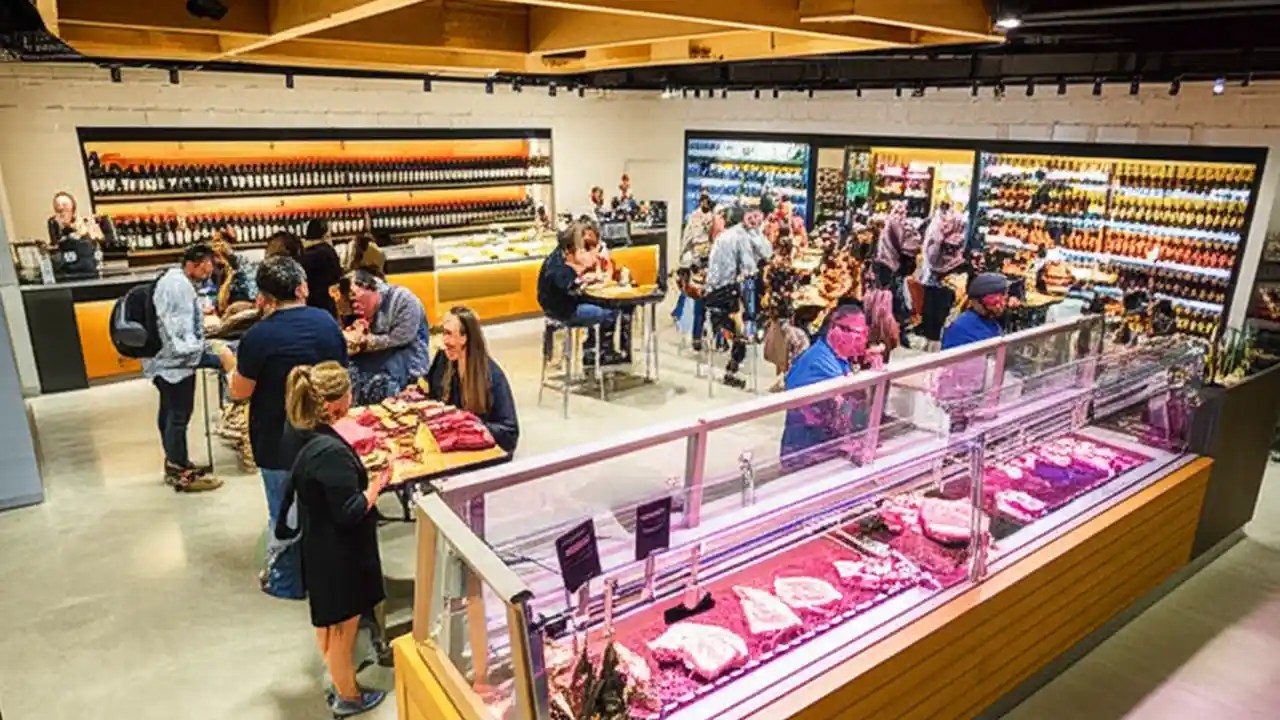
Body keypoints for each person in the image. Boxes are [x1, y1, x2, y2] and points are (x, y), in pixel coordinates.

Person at [229, 256, 348, 599]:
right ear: (301, 288)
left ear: (264, 297)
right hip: (324, 437)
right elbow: (340, 375)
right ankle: (322, 577)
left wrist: (228, 365)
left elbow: (240, 391)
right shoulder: (326, 322)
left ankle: (287, 583)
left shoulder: (258, 337)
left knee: (283, 514)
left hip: (275, 439)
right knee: (322, 513)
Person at [274, 362, 388, 716]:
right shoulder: (331, 452)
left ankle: (337, 682)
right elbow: (351, 510)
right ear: (342, 400)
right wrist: (376, 485)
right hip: (339, 554)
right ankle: (348, 696)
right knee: (343, 629)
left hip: (318, 544)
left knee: (326, 623)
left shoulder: (303, 434)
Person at [143, 243, 235, 492]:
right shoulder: (179, 286)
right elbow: (178, 333)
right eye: (208, 266)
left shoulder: (174, 279)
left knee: (169, 412)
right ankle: (180, 469)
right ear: (197, 263)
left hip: (167, 361)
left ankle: (175, 461)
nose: (211, 271)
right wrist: (206, 354)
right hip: (176, 363)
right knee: (178, 415)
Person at [781, 304, 874, 463]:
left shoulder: (836, 357)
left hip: (823, 449)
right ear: (834, 329)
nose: (863, 340)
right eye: (857, 334)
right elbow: (850, 413)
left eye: (865, 334)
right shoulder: (820, 363)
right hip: (806, 455)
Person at [426, 306, 519, 454]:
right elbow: (430, 393)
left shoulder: (492, 376)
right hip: (449, 445)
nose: (444, 341)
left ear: (465, 337)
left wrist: (468, 426)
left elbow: (510, 433)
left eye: (449, 334)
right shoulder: (443, 359)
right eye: (444, 332)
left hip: (478, 453)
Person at [702, 199, 773, 388]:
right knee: (750, 294)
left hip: (712, 295)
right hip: (727, 296)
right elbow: (758, 262)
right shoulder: (741, 237)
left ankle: (735, 359)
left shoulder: (724, 236)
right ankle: (742, 349)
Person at [537, 226, 625, 365]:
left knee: (600, 307)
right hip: (565, 312)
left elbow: (570, 284)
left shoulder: (555, 258)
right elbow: (570, 289)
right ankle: (599, 353)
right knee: (611, 312)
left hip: (553, 310)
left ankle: (593, 350)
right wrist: (583, 282)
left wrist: (582, 279)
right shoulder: (562, 264)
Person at [345, 269, 431, 404]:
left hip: (405, 368)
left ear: (368, 287)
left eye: (354, 297)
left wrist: (366, 342)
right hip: (372, 367)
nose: (354, 305)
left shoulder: (403, 299)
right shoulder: (359, 312)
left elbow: (402, 337)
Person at [920, 203, 968, 349]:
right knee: (941, 310)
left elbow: (932, 253)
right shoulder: (959, 236)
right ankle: (935, 341)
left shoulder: (938, 233)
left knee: (930, 308)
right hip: (949, 279)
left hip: (934, 277)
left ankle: (929, 340)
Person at [875, 201, 922, 349]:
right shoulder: (898, 226)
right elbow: (907, 247)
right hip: (893, 268)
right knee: (896, 301)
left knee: (890, 300)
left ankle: (888, 332)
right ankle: (894, 333)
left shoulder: (889, 224)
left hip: (886, 267)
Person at [942, 272, 1009, 350]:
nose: (1001, 304)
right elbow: (953, 359)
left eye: (1004, 298)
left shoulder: (991, 322)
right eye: (995, 301)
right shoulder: (962, 329)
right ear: (977, 302)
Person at [47, 191, 103, 280]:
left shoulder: (86, 228)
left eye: (64, 206)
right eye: (57, 208)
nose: (61, 210)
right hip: (68, 278)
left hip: (89, 277)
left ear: (73, 210)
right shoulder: (57, 231)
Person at [302, 219, 344, 319]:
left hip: (306, 306)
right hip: (326, 306)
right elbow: (337, 277)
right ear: (325, 235)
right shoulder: (327, 252)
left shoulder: (302, 253)